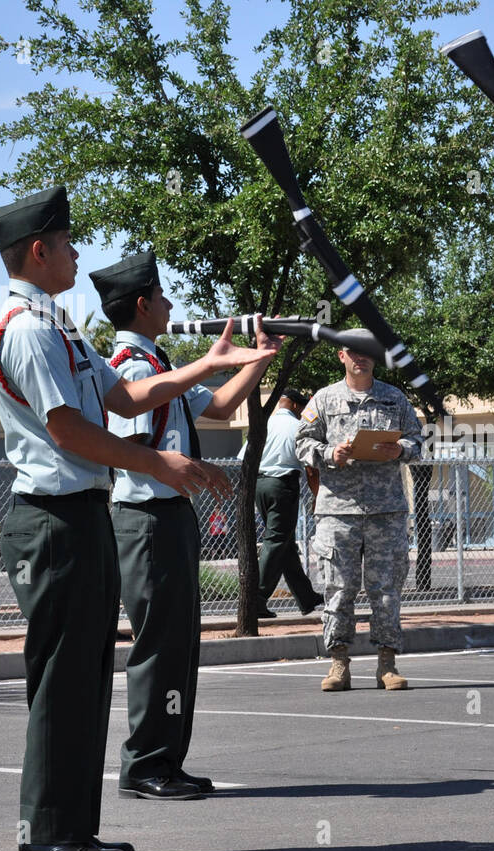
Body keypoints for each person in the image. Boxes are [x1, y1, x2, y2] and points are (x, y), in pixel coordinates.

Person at [0, 186, 270, 851]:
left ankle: (70, 829)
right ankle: (49, 831)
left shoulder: (62, 326)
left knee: (85, 677)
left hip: (80, 516)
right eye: (68, 241)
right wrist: (156, 463)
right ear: (39, 250)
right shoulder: (25, 328)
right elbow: (68, 428)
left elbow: (125, 396)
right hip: (51, 520)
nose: (79, 251)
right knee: (65, 679)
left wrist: (211, 365)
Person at [94, 250, 280, 801]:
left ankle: (165, 761)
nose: (173, 304)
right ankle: (146, 764)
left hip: (167, 517)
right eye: (164, 295)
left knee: (178, 643)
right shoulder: (131, 367)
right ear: (144, 304)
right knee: (159, 643)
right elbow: (126, 439)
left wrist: (259, 360)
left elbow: (219, 407)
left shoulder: (158, 366)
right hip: (146, 519)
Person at [295, 330, 423, 692]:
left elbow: (416, 441)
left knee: (386, 589)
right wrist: (328, 454)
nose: (361, 358)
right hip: (337, 510)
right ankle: (338, 664)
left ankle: (387, 665)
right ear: (342, 356)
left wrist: (399, 451)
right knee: (338, 588)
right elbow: (302, 442)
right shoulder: (323, 398)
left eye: (368, 352)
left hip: (386, 511)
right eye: (354, 352)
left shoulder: (394, 398)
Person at [244, 388, 323, 618]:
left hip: (259, 484)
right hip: (282, 486)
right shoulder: (298, 427)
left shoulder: (263, 424)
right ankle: (256, 598)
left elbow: (246, 457)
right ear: (297, 407)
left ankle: (306, 596)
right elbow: (310, 468)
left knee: (285, 544)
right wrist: (317, 496)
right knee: (276, 540)